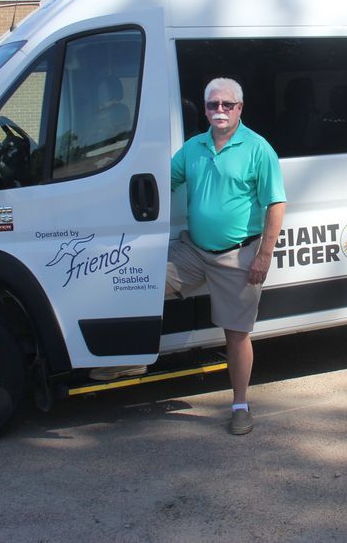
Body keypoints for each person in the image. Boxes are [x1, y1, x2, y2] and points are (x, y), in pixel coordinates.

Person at [92, 78, 286, 435]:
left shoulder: (258, 148)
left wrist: (264, 255)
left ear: (240, 108)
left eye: (227, 105)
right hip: (193, 251)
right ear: (205, 108)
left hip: (238, 255)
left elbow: (276, 203)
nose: (220, 111)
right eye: (213, 105)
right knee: (135, 281)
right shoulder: (194, 147)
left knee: (236, 334)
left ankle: (240, 405)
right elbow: (160, 182)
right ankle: (129, 360)